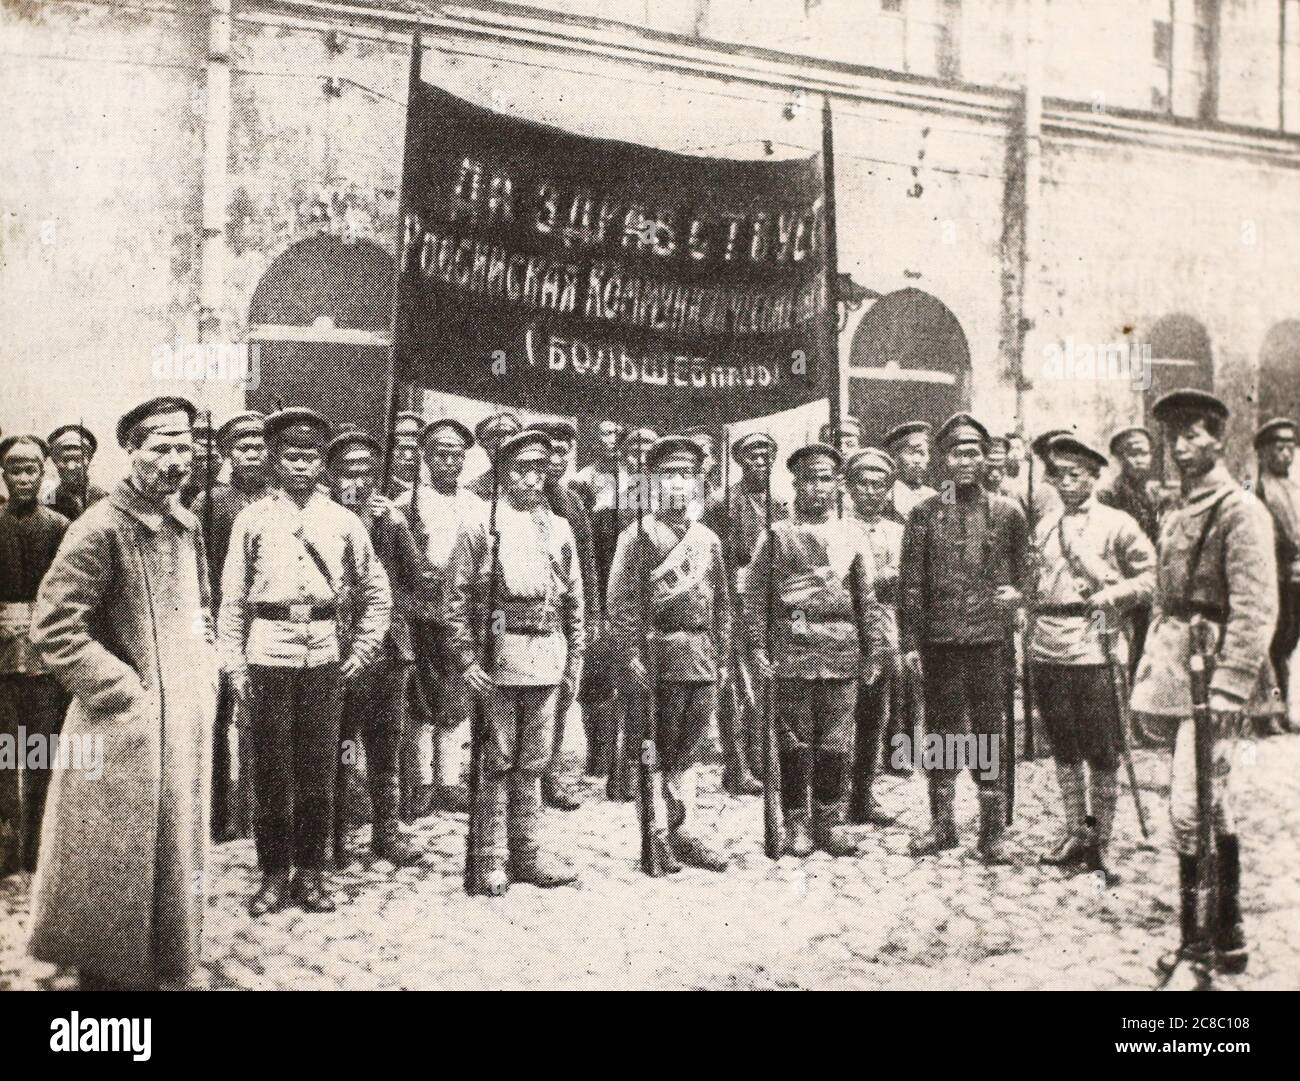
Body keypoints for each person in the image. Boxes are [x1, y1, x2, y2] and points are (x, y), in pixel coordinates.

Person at [29, 396, 219, 990]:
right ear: (132, 453)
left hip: (180, 720)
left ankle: (163, 963)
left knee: (171, 856)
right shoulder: (100, 527)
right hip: (121, 730)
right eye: (159, 448)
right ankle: (106, 986)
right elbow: (55, 627)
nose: (175, 461)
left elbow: (198, 611)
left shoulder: (185, 526)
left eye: (183, 447)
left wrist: (203, 665)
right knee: (112, 860)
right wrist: (122, 689)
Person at [219, 408, 391, 916]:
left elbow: (377, 590)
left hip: (324, 655)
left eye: (310, 457)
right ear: (274, 459)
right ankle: (273, 874)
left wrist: (361, 649)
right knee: (271, 770)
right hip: (267, 653)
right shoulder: (251, 519)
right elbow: (232, 599)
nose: (300, 465)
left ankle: (312, 874)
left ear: (323, 464)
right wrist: (233, 665)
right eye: (290, 456)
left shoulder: (342, 521)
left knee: (319, 771)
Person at [1132, 391, 1280, 979]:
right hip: (1180, 672)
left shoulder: (1240, 510)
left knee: (1190, 808)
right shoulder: (1180, 508)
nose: (1182, 446)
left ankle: (1207, 933)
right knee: (1209, 802)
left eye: (1195, 434)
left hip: (1216, 676)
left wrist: (1230, 688)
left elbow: (1256, 607)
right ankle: (1222, 931)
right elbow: (1168, 602)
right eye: (1175, 436)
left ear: (1220, 438)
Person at [446, 430, 586, 893]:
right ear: (503, 473)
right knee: (496, 759)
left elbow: (575, 602)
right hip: (498, 657)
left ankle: (527, 853)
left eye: (540, 469)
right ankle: (489, 858)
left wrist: (574, 662)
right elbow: (457, 598)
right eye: (522, 469)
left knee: (533, 760)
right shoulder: (482, 527)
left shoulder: (560, 528)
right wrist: (467, 659)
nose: (532, 479)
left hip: (546, 654)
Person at [900, 413, 1028, 864]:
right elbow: (911, 584)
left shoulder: (1008, 512)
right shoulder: (924, 514)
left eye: (973, 451)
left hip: (990, 643)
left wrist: (1019, 594)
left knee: (989, 731)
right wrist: (911, 642)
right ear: (944, 459)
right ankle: (943, 825)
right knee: (942, 731)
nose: (966, 461)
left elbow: (1026, 572)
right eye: (957, 452)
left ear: (985, 456)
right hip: (940, 643)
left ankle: (992, 832)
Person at [746, 443, 885, 857]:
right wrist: (757, 649)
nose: (818, 488)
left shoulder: (851, 536)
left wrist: (872, 651)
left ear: (838, 485)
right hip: (793, 651)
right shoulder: (776, 536)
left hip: (841, 653)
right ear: (795, 485)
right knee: (794, 742)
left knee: (836, 742)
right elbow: (755, 598)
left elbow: (867, 599)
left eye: (826, 479)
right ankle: (796, 822)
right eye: (809, 480)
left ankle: (829, 821)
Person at [1028, 435, 1154, 883]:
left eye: (1075, 474)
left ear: (1094, 476)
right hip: (1048, 645)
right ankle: (1074, 831)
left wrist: (1114, 594)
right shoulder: (1044, 525)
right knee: (1063, 745)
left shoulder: (1118, 524)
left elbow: (1150, 578)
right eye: (1059, 474)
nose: (1066, 483)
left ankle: (1100, 840)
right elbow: (1036, 581)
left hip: (1094, 647)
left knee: (1101, 749)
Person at [607, 435, 731, 872]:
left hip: (699, 655)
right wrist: (632, 658)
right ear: (653, 482)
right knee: (653, 748)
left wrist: (723, 657)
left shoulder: (708, 540)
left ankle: (685, 831)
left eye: (686, 474)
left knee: (689, 749)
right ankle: (655, 833)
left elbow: (722, 605)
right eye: (668, 474)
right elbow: (620, 608)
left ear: (698, 482)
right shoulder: (636, 536)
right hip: (656, 654)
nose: (678, 483)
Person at [325, 429, 422, 867]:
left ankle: (387, 832)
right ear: (333, 476)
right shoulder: (321, 518)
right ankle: (335, 835)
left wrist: (400, 530)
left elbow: (423, 582)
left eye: (367, 473)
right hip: (339, 650)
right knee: (340, 745)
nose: (358, 483)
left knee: (386, 744)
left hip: (390, 650)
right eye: (349, 473)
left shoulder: (392, 519)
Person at [394, 417, 484, 817]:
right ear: (425, 458)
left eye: (456, 455)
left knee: (455, 698)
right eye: (440, 454)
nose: (449, 462)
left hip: (462, 615)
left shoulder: (479, 506)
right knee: (418, 700)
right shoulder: (406, 504)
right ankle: (420, 784)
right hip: (420, 612)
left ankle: (449, 781)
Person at [191, 411, 269, 842]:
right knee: (218, 720)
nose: (253, 455)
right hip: (223, 619)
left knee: (260, 720)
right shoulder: (209, 502)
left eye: (260, 446)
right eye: (244, 447)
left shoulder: (280, 499)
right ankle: (217, 815)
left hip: (265, 625)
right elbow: (200, 563)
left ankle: (256, 815)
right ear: (228, 453)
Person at [702, 431, 788, 796]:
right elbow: (712, 557)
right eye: (754, 455)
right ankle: (736, 767)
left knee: (768, 680)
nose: (761, 461)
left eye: (767, 454)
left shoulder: (781, 503)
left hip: (774, 600)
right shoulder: (722, 503)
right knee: (735, 686)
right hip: (736, 599)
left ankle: (764, 761)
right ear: (739, 460)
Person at [0, 436, 69, 878]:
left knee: (42, 749)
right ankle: (6, 847)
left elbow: (68, 590)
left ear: (44, 471)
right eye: (14, 469)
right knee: (6, 751)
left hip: (45, 657)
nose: (23, 478)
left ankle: (39, 847)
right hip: (2, 655)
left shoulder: (60, 526)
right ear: (3, 475)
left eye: (31, 469)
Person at [531, 420, 599, 810]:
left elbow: (584, 562)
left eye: (563, 452)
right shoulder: (518, 497)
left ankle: (552, 774)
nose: (557, 460)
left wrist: (591, 615)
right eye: (550, 453)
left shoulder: (573, 502)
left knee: (562, 694)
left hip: (560, 614)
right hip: (521, 616)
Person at [843, 447, 905, 826]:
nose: (870, 492)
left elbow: (909, 580)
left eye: (879, 485)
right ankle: (832, 796)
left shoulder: (899, 532)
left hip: (885, 628)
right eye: (863, 484)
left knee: (874, 715)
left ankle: (864, 794)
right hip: (845, 631)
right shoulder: (836, 529)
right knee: (840, 717)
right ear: (848, 487)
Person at [1097, 426, 1167, 680]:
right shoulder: (1108, 494)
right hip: (1122, 583)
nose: (1140, 460)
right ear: (1119, 457)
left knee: (1147, 647)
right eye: (1132, 453)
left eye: (1145, 454)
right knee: (1120, 652)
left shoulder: (1151, 495)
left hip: (1148, 582)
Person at [1252, 417, 1300, 734]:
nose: (1285, 454)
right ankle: (1267, 714)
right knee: (1271, 646)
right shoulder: (1258, 488)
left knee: (1287, 646)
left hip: (1296, 579)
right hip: (1275, 578)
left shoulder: (1294, 487)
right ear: (1264, 453)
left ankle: (1283, 712)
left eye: (1290, 448)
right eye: (1278, 448)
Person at [43, 423, 106, 522]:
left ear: (88, 460)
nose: (71, 467)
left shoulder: (103, 499)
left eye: (77, 460)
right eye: (65, 460)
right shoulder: (50, 502)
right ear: (55, 462)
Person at [882, 421, 937, 525]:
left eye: (922, 453)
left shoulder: (934, 497)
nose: (917, 460)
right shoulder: (886, 500)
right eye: (910, 453)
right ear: (895, 458)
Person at [466, 412, 522, 500]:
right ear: (482, 443)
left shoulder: (537, 484)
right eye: (494, 435)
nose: (504, 441)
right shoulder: (472, 490)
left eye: (511, 433)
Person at [179, 412, 224, 509]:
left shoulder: (225, 494)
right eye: (199, 459)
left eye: (212, 458)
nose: (205, 465)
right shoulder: (177, 491)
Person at [386, 410, 424, 501]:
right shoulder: (380, 489)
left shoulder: (428, 491)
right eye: (401, 449)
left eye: (414, 449)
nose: (408, 456)